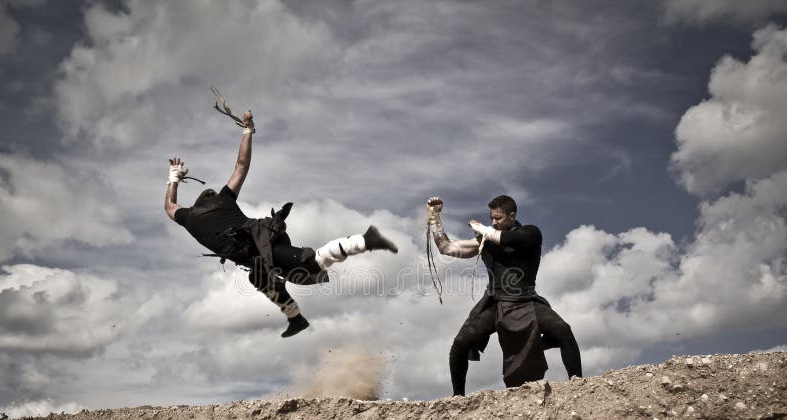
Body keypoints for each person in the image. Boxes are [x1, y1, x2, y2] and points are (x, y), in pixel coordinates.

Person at [165, 110, 398, 337]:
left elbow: (169, 206)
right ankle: (296, 319)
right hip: (258, 252)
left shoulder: (190, 219)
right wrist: (247, 130)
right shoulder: (221, 200)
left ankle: (366, 240)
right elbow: (241, 166)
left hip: (263, 248)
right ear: (210, 197)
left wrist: (173, 179)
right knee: (262, 276)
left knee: (309, 264)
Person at [426, 194, 582, 395]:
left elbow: (507, 238)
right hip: (496, 303)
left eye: (498, 218)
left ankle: (579, 385)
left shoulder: (530, 233)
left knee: (563, 331)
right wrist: (434, 218)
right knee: (460, 344)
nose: (494, 223)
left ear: (511, 215)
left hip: (526, 301)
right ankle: (458, 398)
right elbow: (446, 248)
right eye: (491, 218)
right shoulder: (486, 240)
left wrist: (483, 229)